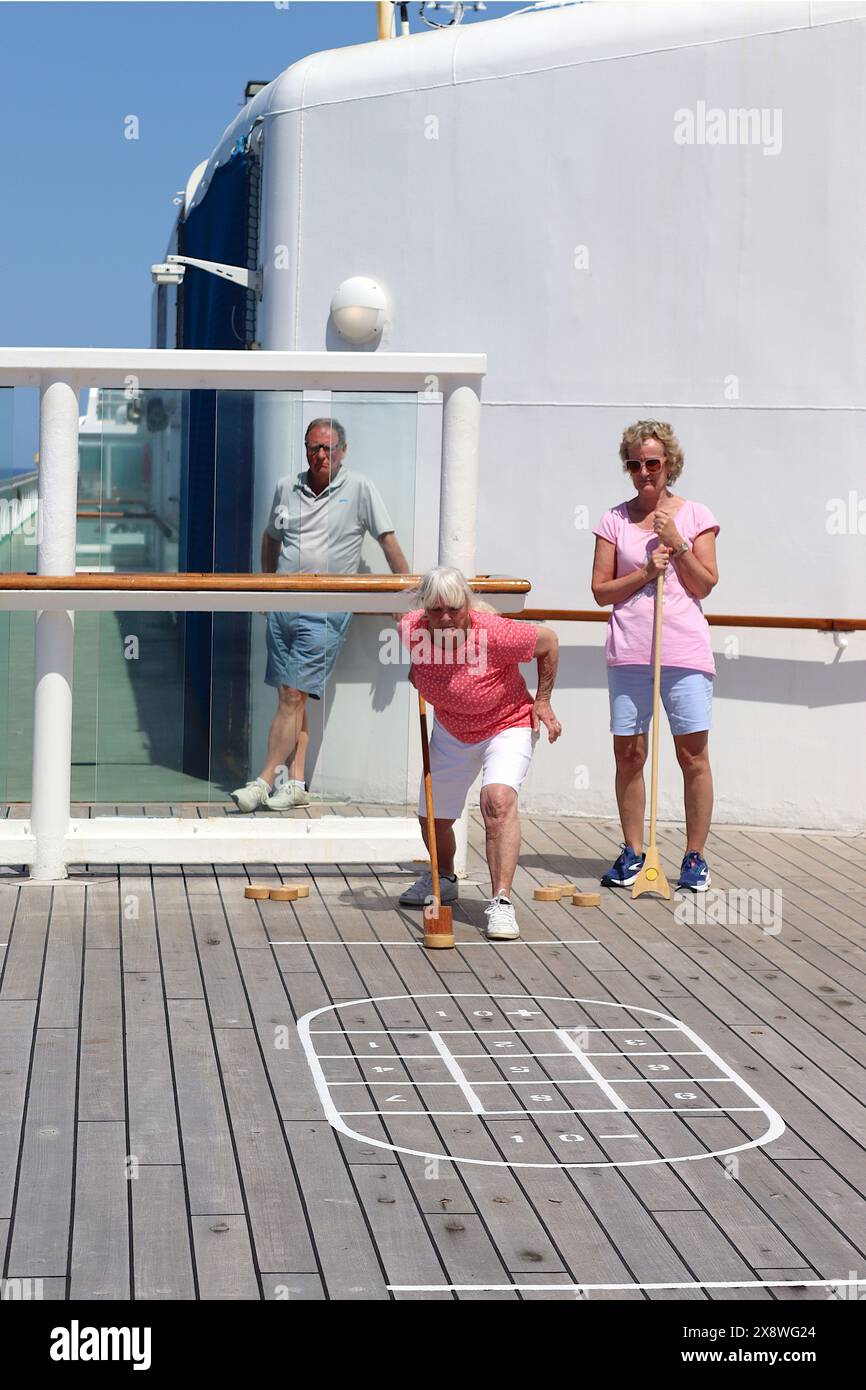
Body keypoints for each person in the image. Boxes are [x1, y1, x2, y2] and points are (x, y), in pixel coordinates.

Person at [231, 418, 410, 811]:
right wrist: (267, 587)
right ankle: (296, 783)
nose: (321, 455)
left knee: (294, 693)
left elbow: (388, 541)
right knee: (291, 694)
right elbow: (270, 538)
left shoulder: (359, 488)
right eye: (314, 447)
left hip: (327, 608)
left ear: (343, 451)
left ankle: (262, 781)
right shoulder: (286, 486)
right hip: (283, 604)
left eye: (328, 448)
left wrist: (406, 596)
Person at [397, 566, 561, 940]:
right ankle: (443, 877)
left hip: (506, 725)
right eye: (435, 610)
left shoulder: (494, 633)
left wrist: (544, 701)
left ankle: (501, 902)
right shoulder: (411, 629)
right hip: (452, 730)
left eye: (453, 609)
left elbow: (549, 642)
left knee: (497, 802)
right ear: (424, 609)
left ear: (466, 605)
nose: (445, 618)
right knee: (432, 818)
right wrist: (419, 673)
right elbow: (414, 661)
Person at [591, 420, 720, 891]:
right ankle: (632, 850)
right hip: (629, 651)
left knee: (692, 756)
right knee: (629, 751)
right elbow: (601, 592)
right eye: (635, 463)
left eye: (652, 462)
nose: (644, 471)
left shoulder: (695, 514)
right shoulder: (614, 520)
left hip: (683, 650)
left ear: (669, 463)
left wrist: (678, 544)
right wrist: (646, 571)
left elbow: (705, 582)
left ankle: (694, 857)